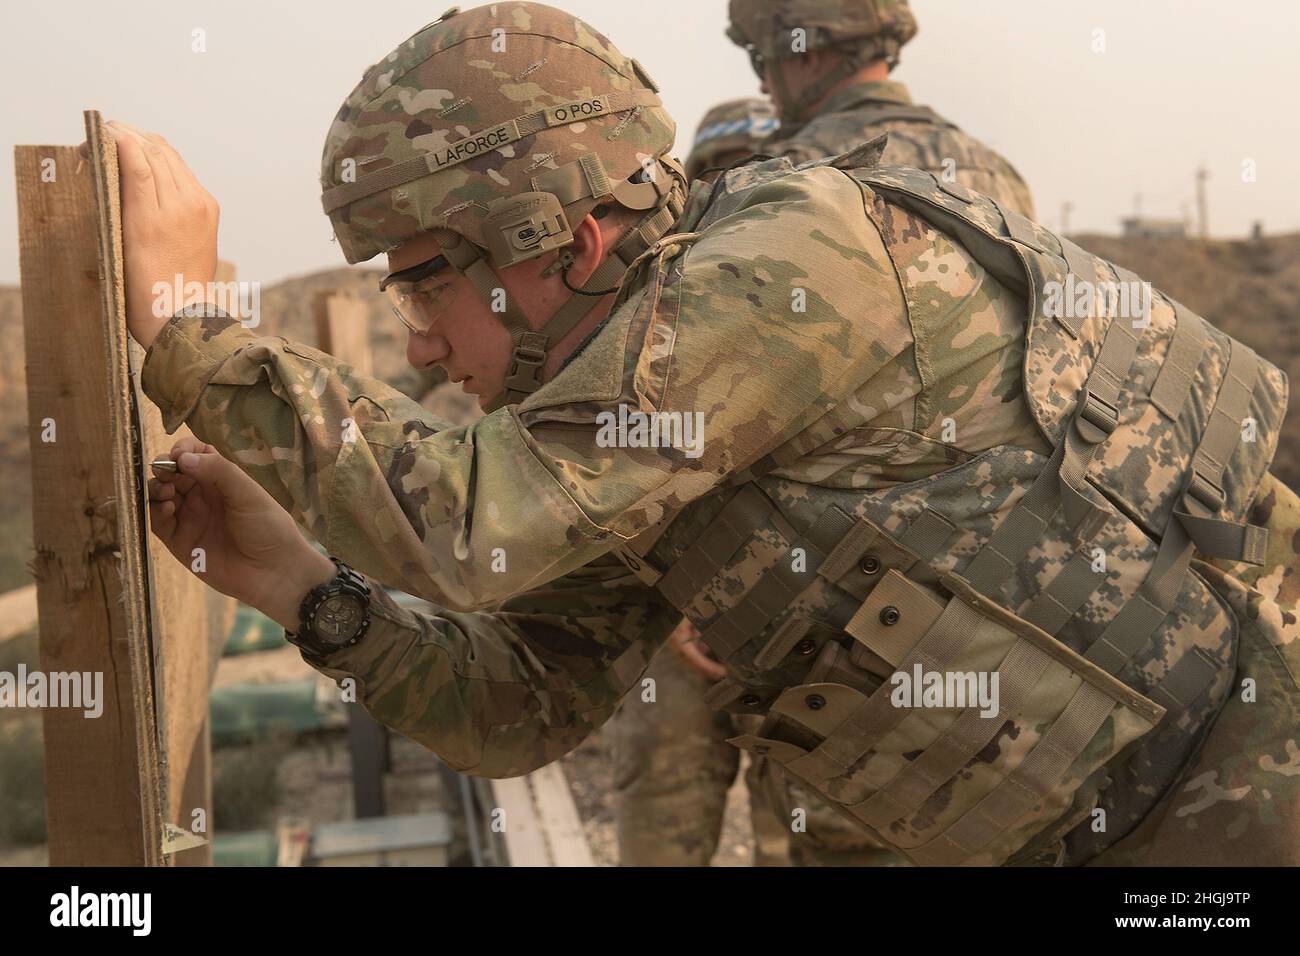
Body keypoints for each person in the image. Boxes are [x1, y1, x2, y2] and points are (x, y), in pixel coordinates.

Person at [113, 1, 1298, 866]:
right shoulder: (615, 422)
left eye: (423, 287)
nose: (419, 346)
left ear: (559, 239)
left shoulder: (797, 254)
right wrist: (305, 585)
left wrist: (186, 329)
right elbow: (523, 697)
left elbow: (473, 524)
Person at [728, 0, 1035, 217]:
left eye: (761, 64)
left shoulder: (784, 173)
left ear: (806, 57)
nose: (764, 87)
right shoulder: (998, 171)